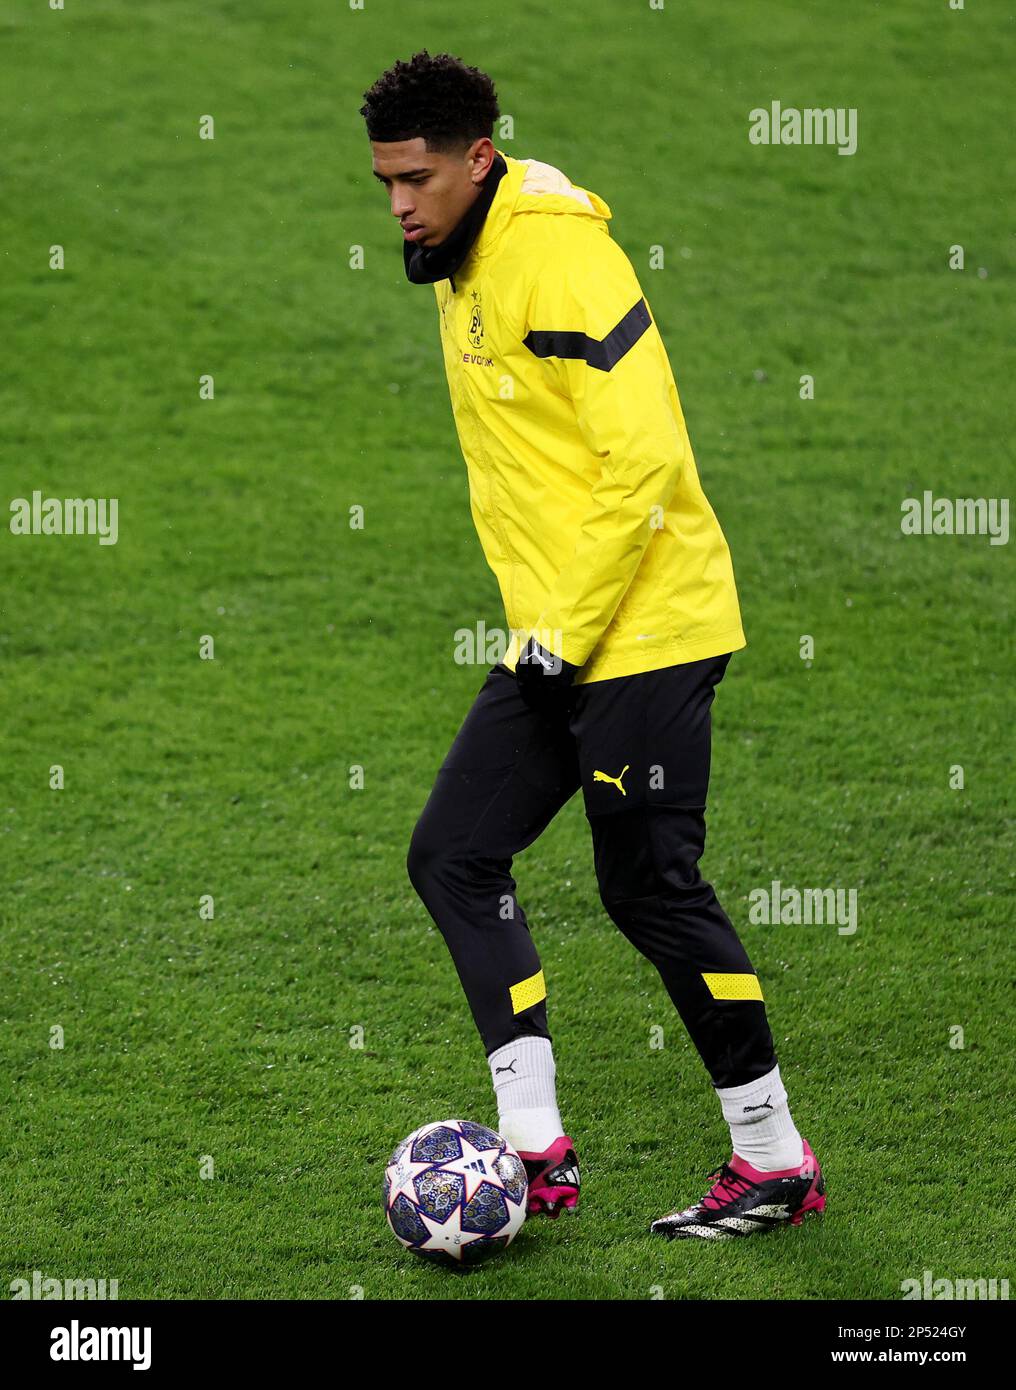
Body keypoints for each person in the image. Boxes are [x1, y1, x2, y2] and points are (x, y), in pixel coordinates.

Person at [360, 50, 825, 1238]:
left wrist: (559, 638)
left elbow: (647, 466)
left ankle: (772, 1157)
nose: (400, 207)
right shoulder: (457, 257)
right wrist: (548, 634)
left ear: (477, 158)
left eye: (416, 179)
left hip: (648, 626)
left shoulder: (560, 258)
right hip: (562, 630)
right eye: (382, 185)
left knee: (649, 887)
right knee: (453, 853)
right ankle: (532, 1146)